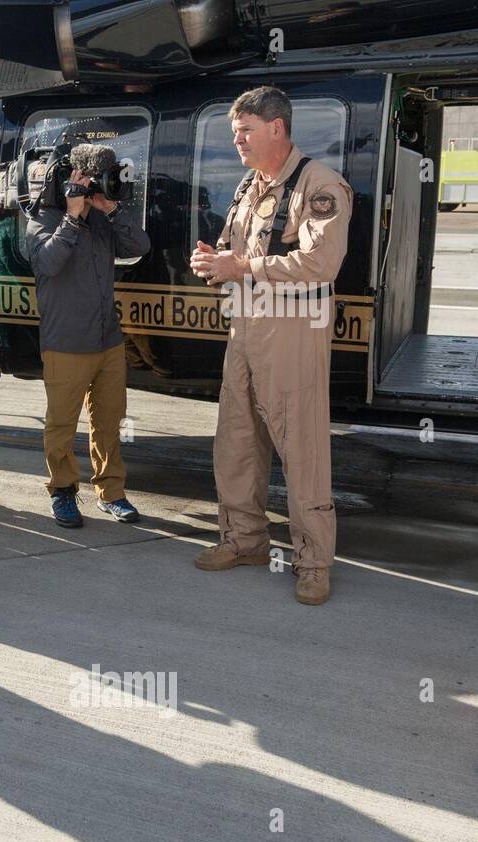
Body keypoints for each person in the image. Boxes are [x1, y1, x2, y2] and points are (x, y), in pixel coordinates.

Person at [189, 86, 351, 606]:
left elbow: (319, 264)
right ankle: (244, 541)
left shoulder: (318, 185)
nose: (237, 140)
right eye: (236, 131)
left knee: (300, 447)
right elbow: (239, 251)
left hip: (292, 330)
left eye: (245, 131)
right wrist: (216, 262)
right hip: (245, 326)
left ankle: (312, 562)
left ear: (276, 128)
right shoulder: (250, 185)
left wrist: (244, 267)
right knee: (236, 438)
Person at [26, 143, 151, 528]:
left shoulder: (103, 218)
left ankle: (111, 493)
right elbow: (47, 262)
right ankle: (63, 492)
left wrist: (109, 209)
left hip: (107, 341)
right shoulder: (43, 218)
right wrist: (73, 216)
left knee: (109, 421)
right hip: (66, 343)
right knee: (61, 424)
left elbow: (140, 246)